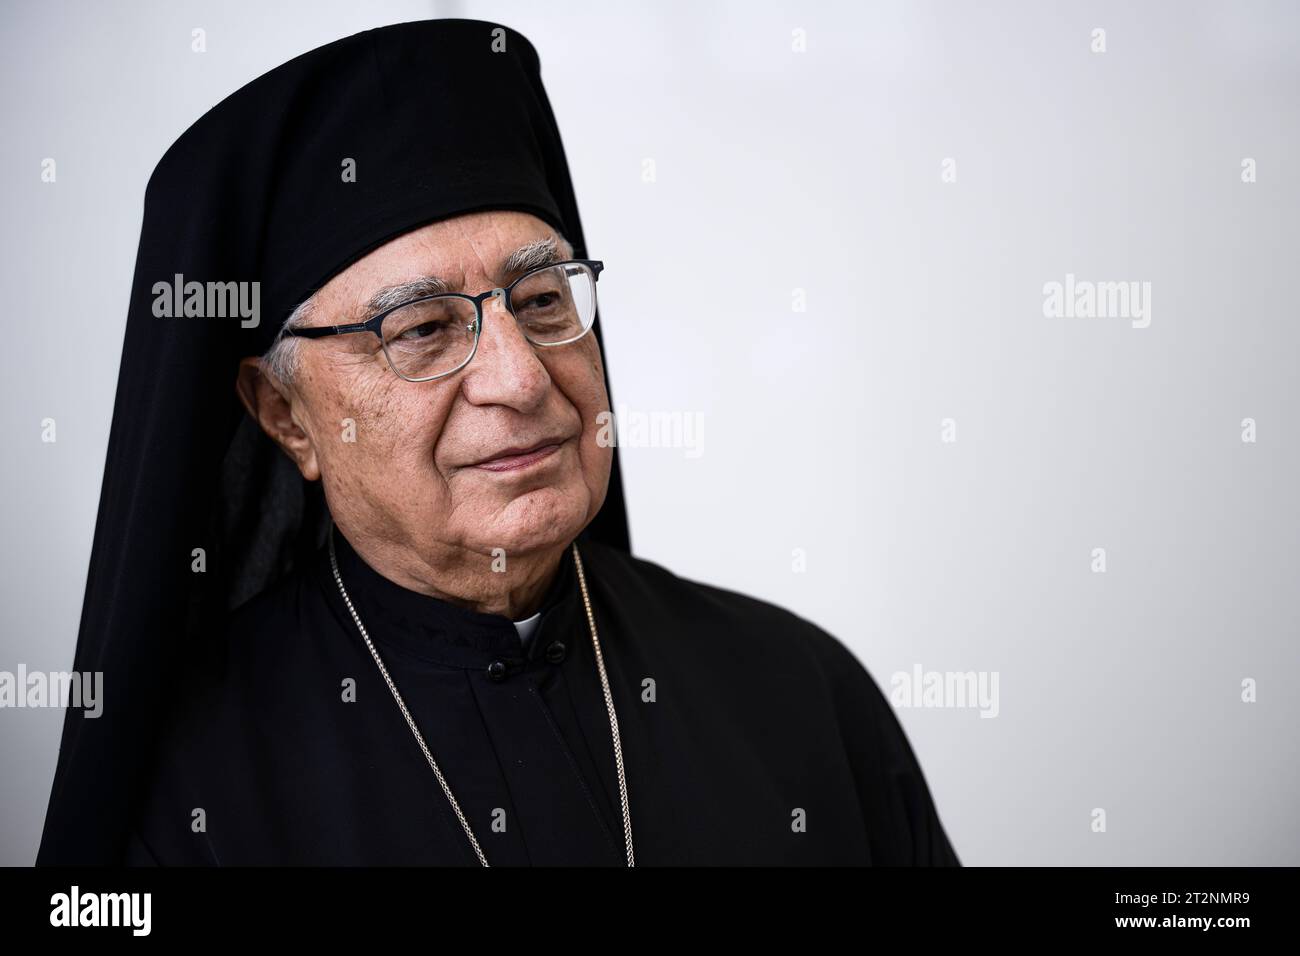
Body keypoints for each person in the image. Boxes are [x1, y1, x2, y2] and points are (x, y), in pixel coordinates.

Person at [36, 18, 959, 866]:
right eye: (423, 329)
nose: (520, 379)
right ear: (285, 414)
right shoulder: (184, 794)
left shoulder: (799, 694)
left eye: (543, 300)